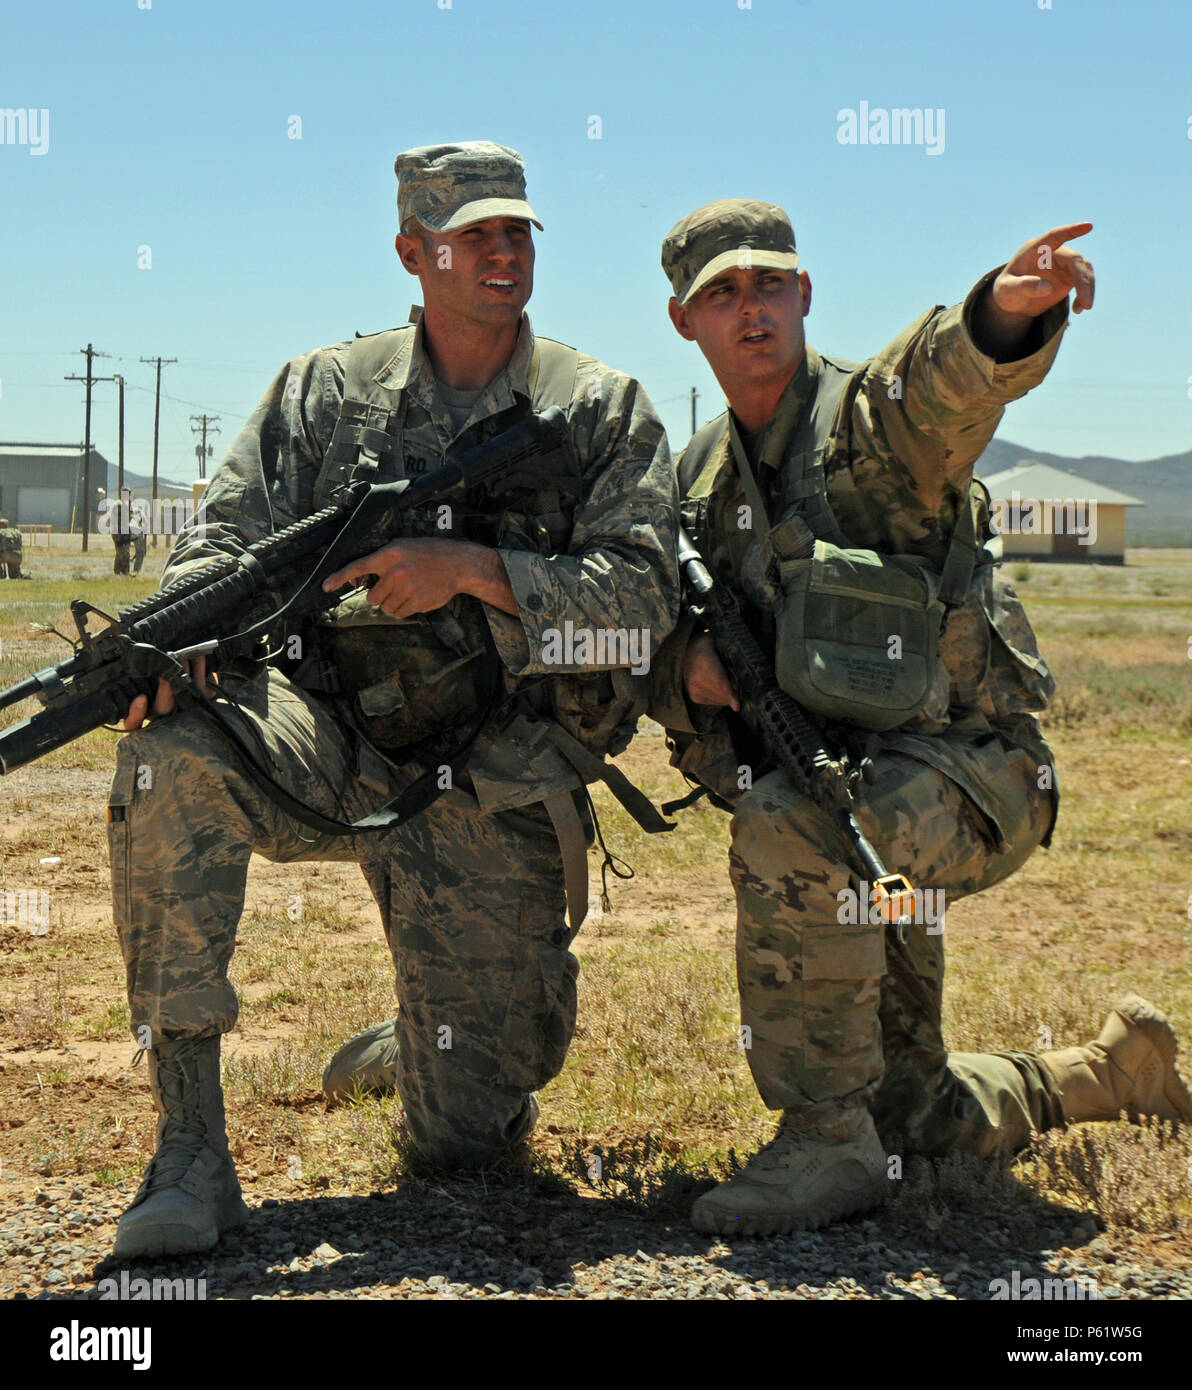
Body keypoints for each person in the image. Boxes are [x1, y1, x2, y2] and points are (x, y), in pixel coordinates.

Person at [106, 141, 678, 1258]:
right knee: (164, 753)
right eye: (472, 236)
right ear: (414, 252)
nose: (501, 253)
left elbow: (643, 607)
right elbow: (221, 538)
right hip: (322, 735)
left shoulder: (597, 408)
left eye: (516, 232)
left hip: (491, 772)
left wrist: (473, 573)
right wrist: (177, 636)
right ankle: (188, 1150)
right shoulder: (326, 393)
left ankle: (428, 1046)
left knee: (470, 1140)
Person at [648, 199, 1191, 1236]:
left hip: (971, 775)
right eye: (721, 294)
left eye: (768, 285)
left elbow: (940, 380)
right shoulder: (697, 485)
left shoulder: (867, 422)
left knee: (783, 826)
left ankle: (822, 1143)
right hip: (857, 800)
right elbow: (653, 651)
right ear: (685, 321)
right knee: (916, 1115)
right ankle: (1104, 1072)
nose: (749, 310)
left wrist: (1001, 312)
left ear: (802, 295)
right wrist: (692, 676)